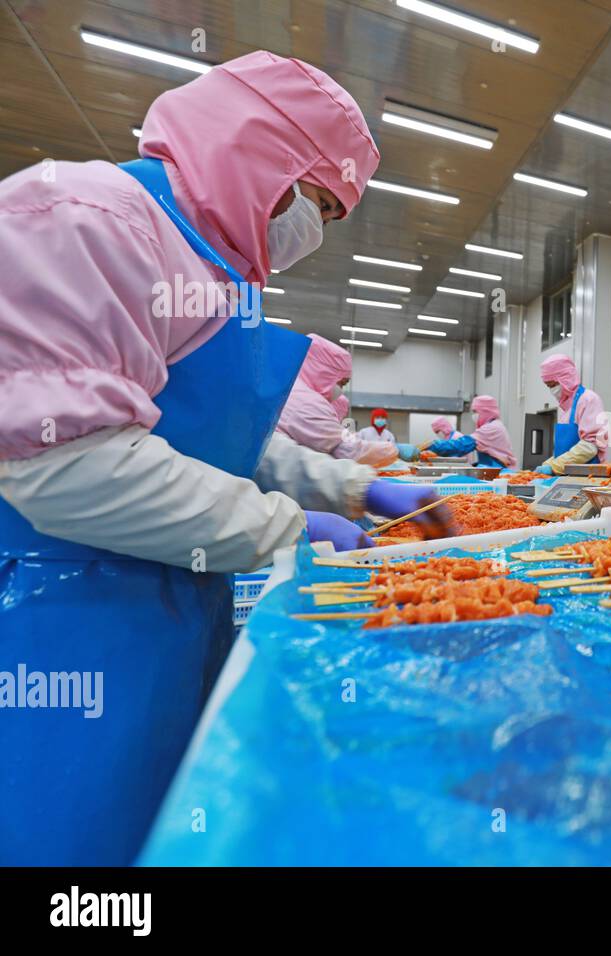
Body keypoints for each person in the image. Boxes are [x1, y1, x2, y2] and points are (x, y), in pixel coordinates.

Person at [0, 51, 451, 865]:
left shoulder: (215, 273)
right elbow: (67, 465)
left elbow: (223, 442)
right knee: (72, 845)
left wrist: (354, 486)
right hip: (57, 614)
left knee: (164, 831)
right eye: (318, 203)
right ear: (263, 158)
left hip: (169, 598)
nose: (313, 230)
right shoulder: (90, 216)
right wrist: (289, 529)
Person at [276, 334, 398, 467]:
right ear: (324, 372)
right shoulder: (307, 403)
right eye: (342, 383)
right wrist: (393, 449)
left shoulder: (289, 389)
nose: (340, 390)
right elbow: (350, 451)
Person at [535, 355, 608, 475]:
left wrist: (554, 466)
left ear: (565, 378)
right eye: (548, 386)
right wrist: (549, 463)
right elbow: (565, 451)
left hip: (587, 476)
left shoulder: (588, 400)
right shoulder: (566, 409)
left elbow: (590, 446)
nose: (552, 390)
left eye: (553, 385)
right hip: (566, 475)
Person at [426, 395, 517, 468]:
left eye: (475, 411)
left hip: (500, 473)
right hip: (494, 470)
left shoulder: (492, 428)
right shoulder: (495, 425)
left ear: (486, 411)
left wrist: (431, 446)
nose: (473, 415)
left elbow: (462, 445)